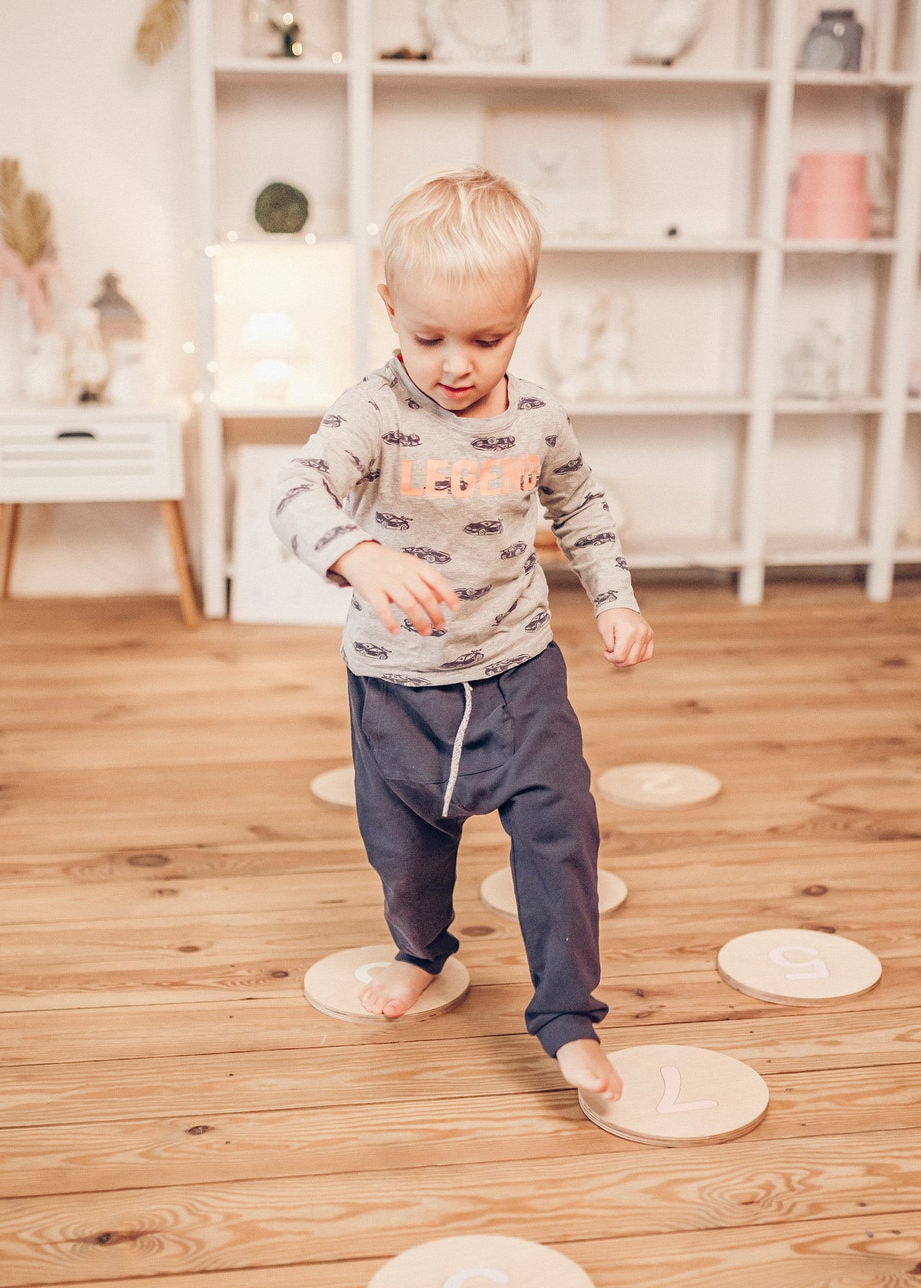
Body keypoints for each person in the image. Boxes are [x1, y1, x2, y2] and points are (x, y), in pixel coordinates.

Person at [271, 165, 654, 1100]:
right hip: (397, 684)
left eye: (487, 338)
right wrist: (359, 556)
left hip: (520, 669)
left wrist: (614, 595)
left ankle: (567, 1018)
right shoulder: (374, 410)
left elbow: (584, 504)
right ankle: (422, 951)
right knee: (404, 847)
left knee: (561, 829)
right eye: (427, 336)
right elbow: (294, 490)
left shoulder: (534, 417)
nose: (455, 364)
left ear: (525, 311)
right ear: (390, 304)